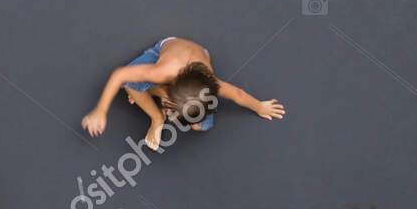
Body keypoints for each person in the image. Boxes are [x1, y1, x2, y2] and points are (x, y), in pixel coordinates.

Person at [80, 36, 285, 150]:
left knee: (199, 125)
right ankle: (156, 117)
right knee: (128, 84)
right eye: (170, 111)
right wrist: (100, 110)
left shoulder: (211, 84)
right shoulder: (162, 72)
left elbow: (239, 94)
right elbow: (119, 74)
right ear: (169, 90)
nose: (174, 120)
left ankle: (151, 92)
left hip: (199, 57)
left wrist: (260, 106)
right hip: (166, 49)